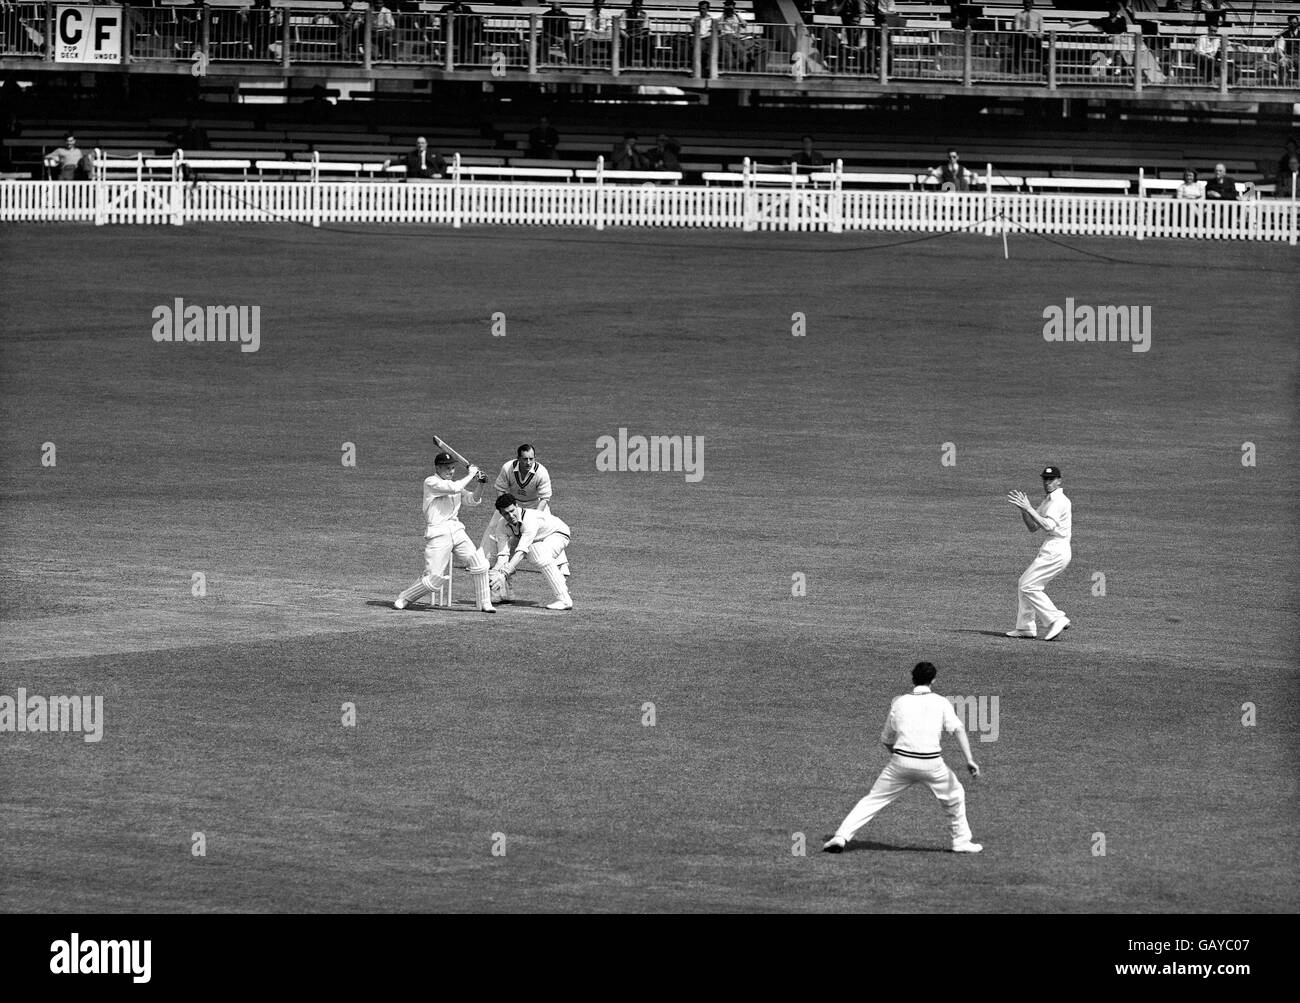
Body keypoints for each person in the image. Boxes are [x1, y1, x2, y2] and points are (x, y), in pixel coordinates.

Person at [823, 661, 983, 854]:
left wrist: (900, 760)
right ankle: (961, 842)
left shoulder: (900, 702)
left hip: (900, 762)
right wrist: (969, 759)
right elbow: (958, 730)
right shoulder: (941, 702)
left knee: (872, 800)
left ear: (913, 679)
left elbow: (886, 739)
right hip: (933, 764)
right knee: (955, 795)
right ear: (933, 680)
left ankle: (840, 837)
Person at [393, 452, 496, 613]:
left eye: (453, 468)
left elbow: (472, 500)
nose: (451, 471)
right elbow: (454, 488)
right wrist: (471, 474)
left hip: (456, 529)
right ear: (438, 468)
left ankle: (485, 602)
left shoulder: (456, 484)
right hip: (438, 531)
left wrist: (480, 484)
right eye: (447, 468)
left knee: (480, 564)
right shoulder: (431, 482)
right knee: (433, 580)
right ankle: (405, 597)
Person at [1005, 465, 1072, 641]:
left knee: (1029, 586)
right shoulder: (1049, 500)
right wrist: (1024, 510)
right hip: (1052, 550)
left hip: (1056, 550)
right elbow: (1033, 527)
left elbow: (1049, 525)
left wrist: (1029, 508)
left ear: (1059, 481)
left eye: (1051, 479)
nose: (1048, 482)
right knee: (1024, 583)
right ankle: (1025, 628)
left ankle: (1056, 618)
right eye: (1045, 479)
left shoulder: (1059, 501)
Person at [488, 494, 574, 610]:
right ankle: (505, 594)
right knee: (496, 560)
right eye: (506, 514)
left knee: (537, 554)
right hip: (536, 539)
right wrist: (496, 572)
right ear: (501, 513)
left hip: (558, 533)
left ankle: (564, 600)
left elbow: (522, 550)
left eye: (512, 511)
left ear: (517, 506)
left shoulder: (529, 519)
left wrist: (504, 574)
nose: (511, 515)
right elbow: (503, 554)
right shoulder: (501, 525)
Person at [492, 443, 553, 511]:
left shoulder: (542, 472)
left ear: (535, 458)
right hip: (513, 505)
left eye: (531, 459)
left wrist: (536, 516)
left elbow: (544, 498)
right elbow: (500, 489)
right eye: (525, 459)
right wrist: (504, 509)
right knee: (496, 521)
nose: (528, 462)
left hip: (536, 506)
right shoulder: (507, 467)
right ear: (518, 458)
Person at [1009, 0, 1044, 75]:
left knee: (1042, 50)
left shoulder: (1038, 15)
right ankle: (1018, 68)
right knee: (1018, 48)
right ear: (1023, 4)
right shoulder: (1018, 14)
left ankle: (1045, 67)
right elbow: (1017, 28)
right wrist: (1026, 32)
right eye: (1026, 3)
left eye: (1029, 3)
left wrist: (1040, 33)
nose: (1028, 5)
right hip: (1023, 35)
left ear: (1032, 4)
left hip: (1034, 35)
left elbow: (1041, 27)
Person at [578, 0, 614, 64]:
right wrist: (594, 32)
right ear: (594, 4)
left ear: (603, 4)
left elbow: (609, 26)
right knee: (587, 39)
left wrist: (605, 32)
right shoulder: (589, 14)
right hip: (593, 34)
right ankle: (587, 63)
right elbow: (588, 27)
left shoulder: (608, 13)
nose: (599, 5)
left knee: (612, 39)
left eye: (600, 3)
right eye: (597, 3)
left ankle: (611, 62)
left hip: (604, 34)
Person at [622, 0, 653, 66]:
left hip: (640, 35)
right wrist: (626, 35)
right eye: (635, 4)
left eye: (638, 5)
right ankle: (627, 64)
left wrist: (642, 35)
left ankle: (647, 64)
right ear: (632, 4)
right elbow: (622, 26)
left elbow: (646, 27)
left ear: (641, 5)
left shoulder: (644, 14)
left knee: (648, 42)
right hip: (628, 35)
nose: (636, 6)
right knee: (628, 43)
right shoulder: (625, 13)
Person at [1275, 17, 1299, 84]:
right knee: (1282, 63)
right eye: (1291, 23)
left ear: (1298, 23)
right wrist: (1283, 57)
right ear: (1288, 23)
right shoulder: (1284, 34)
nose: (1293, 25)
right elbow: (1280, 48)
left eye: (1295, 23)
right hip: (1289, 56)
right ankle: (1283, 85)